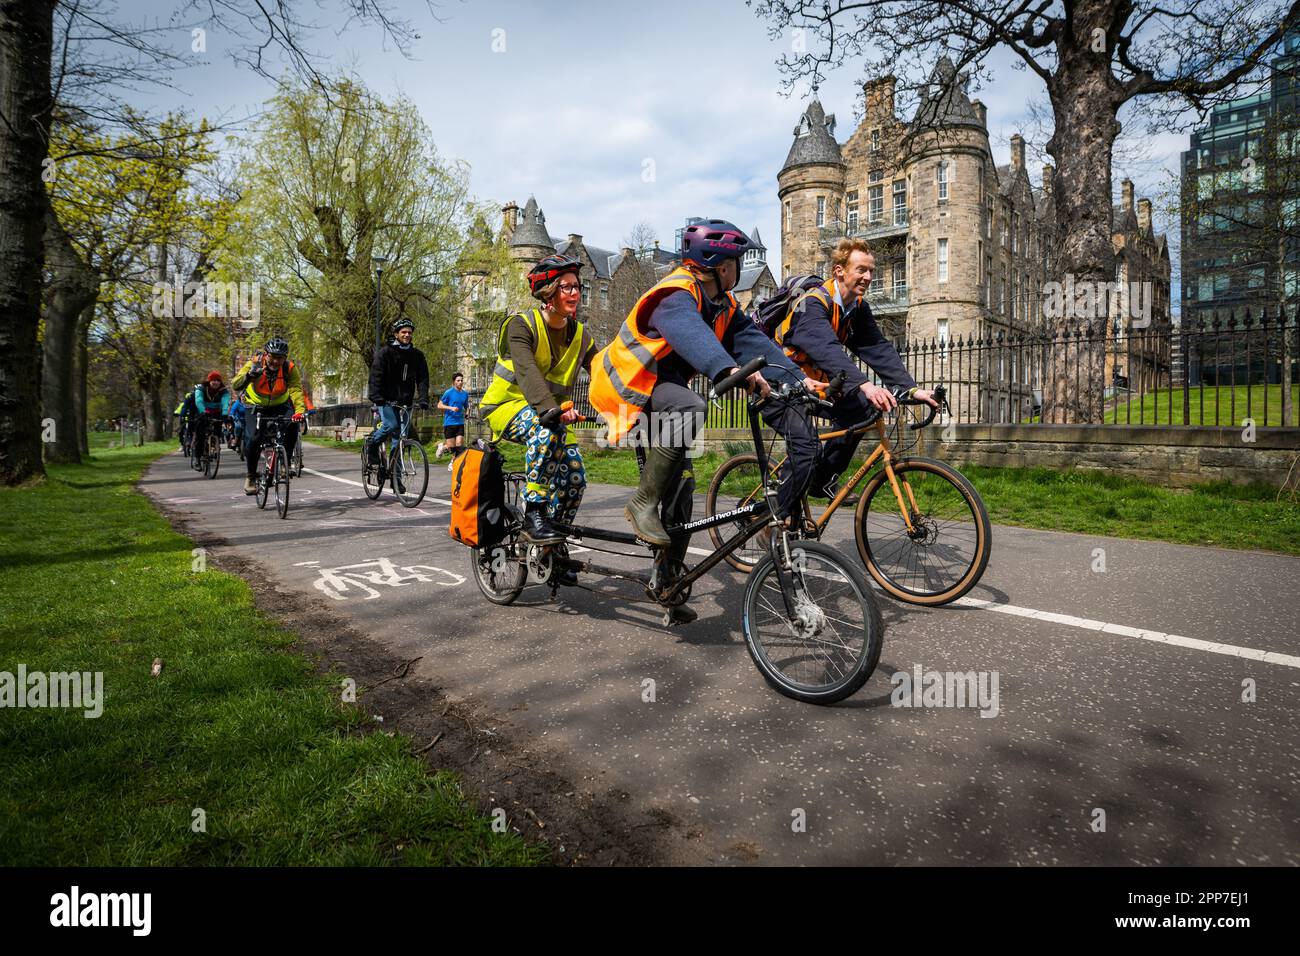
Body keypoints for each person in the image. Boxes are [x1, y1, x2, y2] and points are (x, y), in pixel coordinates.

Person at [588, 219, 825, 565]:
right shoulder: (675, 294)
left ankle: (667, 581)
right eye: (738, 263)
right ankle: (642, 502)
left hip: (658, 389)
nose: (740, 270)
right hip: (627, 389)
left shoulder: (722, 305)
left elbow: (755, 343)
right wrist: (728, 369)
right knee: (691, 406)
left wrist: (798, 380)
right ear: (723, 267)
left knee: (682, 490)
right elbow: (691, 334)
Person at [773, 237, 937, 500]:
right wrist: (865, 384)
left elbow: (878, 348)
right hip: (783, 383)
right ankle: (777, 517)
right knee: (807, 448)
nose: (868, 277)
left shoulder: (856, 308)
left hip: (819, 384)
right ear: (840, 271)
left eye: (871, 270)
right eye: (861, 269)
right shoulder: (814, 301)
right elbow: (826, 348)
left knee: (862, 410)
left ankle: (822, 480)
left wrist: (911, 389)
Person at [480, 254, 598, 549]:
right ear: (549, 292)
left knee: (575, 478)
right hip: (507, 408)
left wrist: (632, 401)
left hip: (553, 416)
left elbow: (604, 374)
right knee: (545, 429)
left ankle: (553, 547)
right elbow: (527, 371)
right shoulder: (521, 325)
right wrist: (550, 411)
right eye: (567, 287)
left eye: (577, 287)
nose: (575, 293)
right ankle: (534, 512)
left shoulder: (581, 336)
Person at [231, 337, 307, 495]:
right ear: (266, 355)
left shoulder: (289, 368)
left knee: (293, 423)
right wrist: (250, 375)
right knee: (253, 438)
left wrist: (299, 411)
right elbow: (235, 384)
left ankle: (284, 463)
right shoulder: (255, 363)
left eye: (280, 358)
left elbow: (296, 390)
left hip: (280, 404)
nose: (275, 361)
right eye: (272, 357)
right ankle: (251, 476)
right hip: (255, 406)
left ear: (285, 358)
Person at [365, 317, 430, 489]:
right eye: (403, 332)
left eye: (409, 332)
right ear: (396, 334)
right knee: (391, 426)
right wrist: (376, 396)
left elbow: (423, 379)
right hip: (385, 399)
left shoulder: (417, 356)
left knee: (400, 438)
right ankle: (372, 444)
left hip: (405, 401)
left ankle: (396, 478)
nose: (407, 335)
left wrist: (423, 398)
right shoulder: (385, 353)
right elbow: (375, 376)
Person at [190, 371, 231, 455]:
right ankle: (197, 457)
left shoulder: (224, 391)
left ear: (220, 382)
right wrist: (202, 411)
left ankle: (215, 443)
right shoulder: (201, 388)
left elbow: (225, 402)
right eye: (213, 380)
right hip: (203, 411)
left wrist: (224, 413)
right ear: (209, 381)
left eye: (218, 380)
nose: (215, 382)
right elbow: (199, 400)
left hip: (217, 412)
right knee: (200, 434)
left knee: (217, 430)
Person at [434, 372, 469, 470]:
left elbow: (466, 406)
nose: (460, 382)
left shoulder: (465, 394)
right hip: (449, 423)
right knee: (451, 446)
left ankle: (452, 463)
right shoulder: (448, 393)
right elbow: (439, 405)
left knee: (459, 444)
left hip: (460, 423)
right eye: (458, 380)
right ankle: (442, 446)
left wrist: (467, 413)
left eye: (461, 380)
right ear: (454, 382)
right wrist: (451, 408)